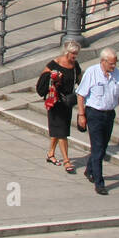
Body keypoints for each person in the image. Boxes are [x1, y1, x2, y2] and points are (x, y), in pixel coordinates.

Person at [76, 47, 119, 195]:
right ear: (103, 61)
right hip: (94, 114)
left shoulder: (117, 74)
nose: (114, 66)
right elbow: (81, 95)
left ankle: (89, 169)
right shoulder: (92, 72)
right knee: (98, 148)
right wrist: (81, 115)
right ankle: (99, 183)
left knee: (102, 146)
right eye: (111, 63)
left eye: (115, 63)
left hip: (109, 114)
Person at [37, 41, 83, 173]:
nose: (75, 56)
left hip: (67, 102)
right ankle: (67, 161)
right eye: (73, 53)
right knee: (62, 132)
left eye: (76, 54)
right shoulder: (54, 64)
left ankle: (50, 153)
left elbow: (80, 80)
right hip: (55, 102)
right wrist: (53, 78)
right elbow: (42, 82)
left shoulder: (75, 65)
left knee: (59, 130)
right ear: (67, 52)